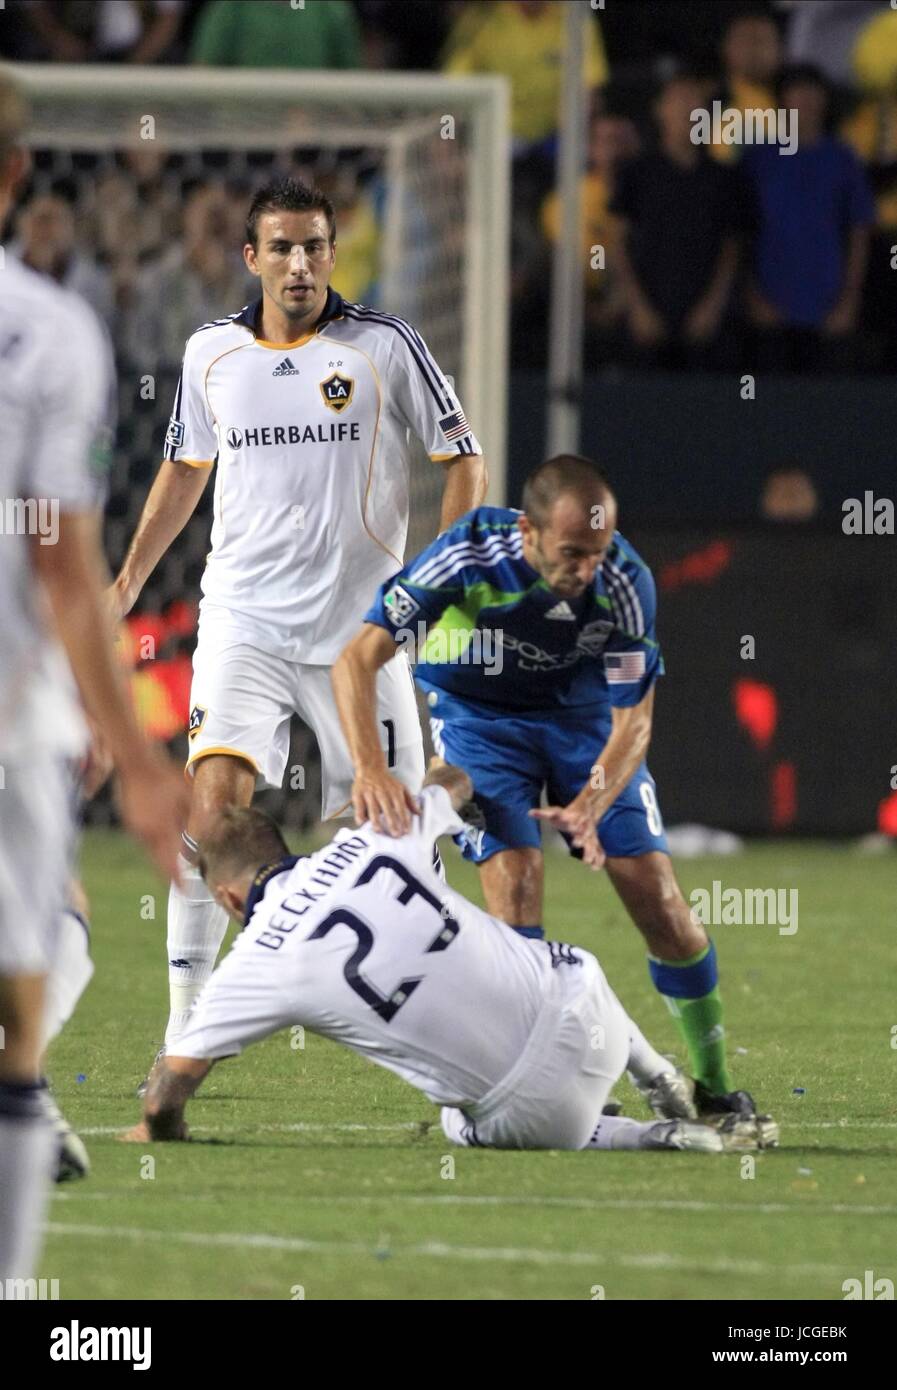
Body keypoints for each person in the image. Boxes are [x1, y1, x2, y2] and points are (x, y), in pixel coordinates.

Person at [109, 175, 486, 1084]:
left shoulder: (385, 345)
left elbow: (462, 461)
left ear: (332, 255)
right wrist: (125, 579)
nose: (300, 263)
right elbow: (183, 471)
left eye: (315, 245)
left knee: (396, 840)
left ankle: (444, 1042)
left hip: (361, 636)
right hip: (243, 620)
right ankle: (185, 1029)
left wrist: (432, 593)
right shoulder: (210, 354)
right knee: (210, 817)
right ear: (252, 259)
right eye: (281, 246)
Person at [333, 456, 773, 1125]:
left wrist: (593, 797)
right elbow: (357, 658)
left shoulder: (625, 580)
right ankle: (553, 1082)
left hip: (581, 724)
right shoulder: (466, 554)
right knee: (516, 907)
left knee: (655, 893)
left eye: (596, 552)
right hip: (481, 723)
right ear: (527, 533)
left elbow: (634, 719)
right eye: (571, 553)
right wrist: (369, 768)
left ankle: (712, 1086)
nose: (586, 570)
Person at [123, 763, 778, 1154]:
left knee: (455, 1123)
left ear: (229, 896)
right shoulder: (372, 839)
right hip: (592, 1011)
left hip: (540, 1114)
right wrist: (413, 791)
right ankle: (661, 1079)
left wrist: (163, 1130)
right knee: (566, 965)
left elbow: (167, 1092)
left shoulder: (255, 961)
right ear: (284, 848)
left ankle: (647, 1138)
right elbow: (456, 780)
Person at [0, 68, 187, 1286]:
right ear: (19, 174)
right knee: (20, 1025)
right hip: (12, 719)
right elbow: (63, 563)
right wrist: (140, 757)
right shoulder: (51, 331)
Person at [609, 73, 753, 369]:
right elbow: (615, 240)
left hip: (708, 321)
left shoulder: (725, 178)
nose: (687, 109)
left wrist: (713, 306)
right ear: (660, 109)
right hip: (648, 314)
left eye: (695, 100)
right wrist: (636, 307)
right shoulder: (636, 173)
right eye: (678, 99)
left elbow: (732, 244)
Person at [743, 64, 875, 372]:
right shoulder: (757, 160)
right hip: (769, 306)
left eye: (812, 91)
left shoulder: (842, 159)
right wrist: (750, 295)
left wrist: (849, 301)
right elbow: (739, 233)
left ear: (825, 99)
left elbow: (859, 231)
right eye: (796, 91)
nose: (805, 100)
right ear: (782, 100)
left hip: (827, 306)